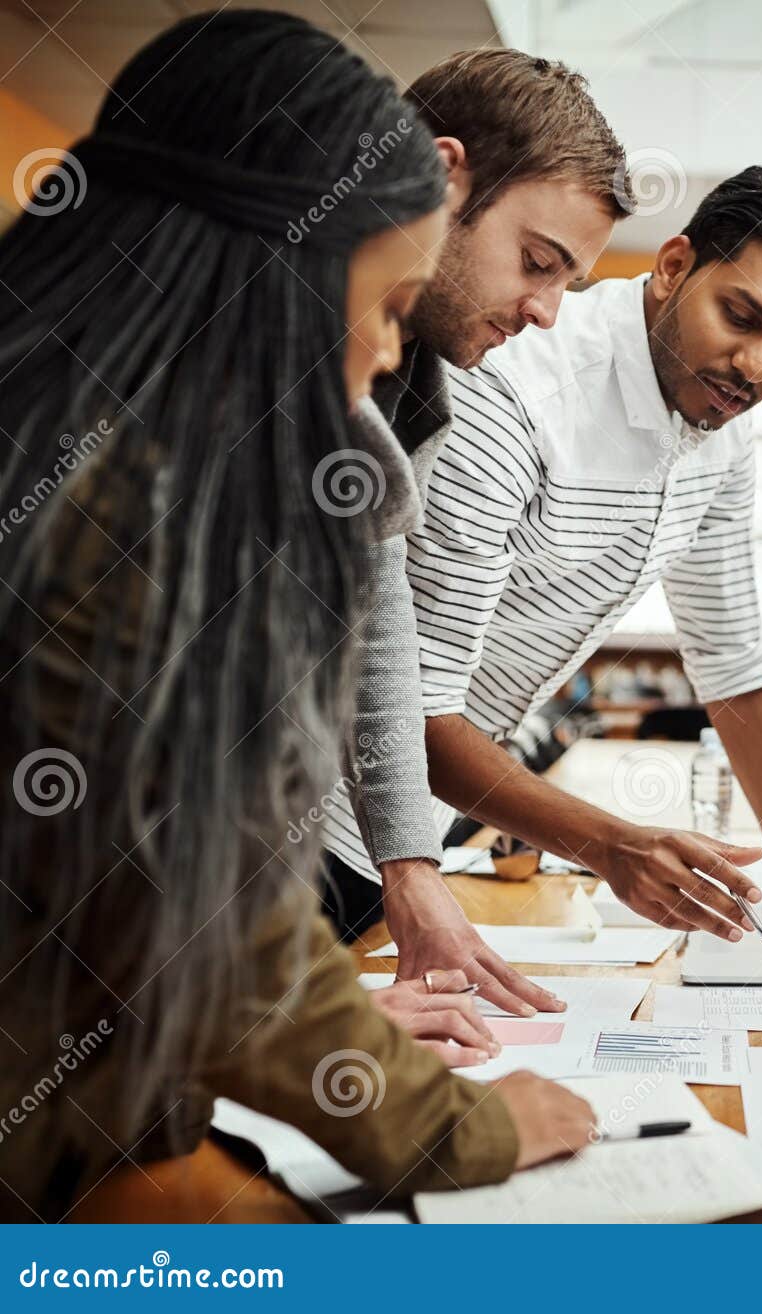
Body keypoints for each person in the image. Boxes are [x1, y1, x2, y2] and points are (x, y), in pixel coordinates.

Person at [0, 10, 594, 1221]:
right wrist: (459, 1131)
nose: (380, 358)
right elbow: (201, 930)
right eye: (377, 306)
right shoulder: (109, 517)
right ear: (256, 275)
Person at [319, 167, 762, 936]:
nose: (756, 369)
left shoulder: (722, 434)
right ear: (672, 268)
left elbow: (732, 657)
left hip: (422, 833)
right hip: (319, 821)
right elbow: (414, 707)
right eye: (740, 316)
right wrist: (614, 845)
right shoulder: (516, 394)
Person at [321, 49, 630, 1026]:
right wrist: (269, 1017)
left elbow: (379, 638)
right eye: (538, 262)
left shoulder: (404, 386)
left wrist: (408, 870)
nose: (544, 312)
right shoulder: (277, 354)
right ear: (446, 178)